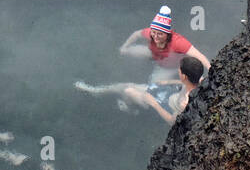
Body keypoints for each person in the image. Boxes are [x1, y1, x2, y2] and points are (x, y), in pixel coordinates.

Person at [76, 53, 205, 125]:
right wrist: (168, 82)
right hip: (170, 91)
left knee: (128, 92)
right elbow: (189, 82)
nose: (177, 70)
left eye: (179, 70)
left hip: (162, 105)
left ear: (184, 76)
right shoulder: (198, 81)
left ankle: (130, 110)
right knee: (127, 85)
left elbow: (172, 121)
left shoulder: (185, 103)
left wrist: (154, 104)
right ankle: (96, 91)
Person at [119, 5, 210, 79]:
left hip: (171, 67)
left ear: (167, 34)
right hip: (154, 54)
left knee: (154, 83)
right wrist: (125, 46)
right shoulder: (151, 33)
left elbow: (199, 56)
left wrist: (211, 71)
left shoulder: (178, 42)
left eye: (160, 34)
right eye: (154, 32)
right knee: (126, 51)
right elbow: (136, 34)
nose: (155, 37)